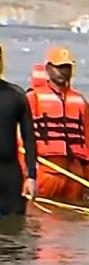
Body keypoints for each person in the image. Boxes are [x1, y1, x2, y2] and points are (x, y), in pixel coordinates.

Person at [27, 47, 89, 205]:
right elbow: (22, 142)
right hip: (46, 173)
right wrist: (27, 177)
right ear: (48, 68)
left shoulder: (81, 102)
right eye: (59, 67)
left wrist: (87, 182)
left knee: (74, 225)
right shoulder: (33, 98)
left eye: (67, 67)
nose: (63, 71)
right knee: (41, 222)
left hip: (75, 176)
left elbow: (88, 147)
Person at [0, 44, 36, 217]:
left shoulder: (16, 95)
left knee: (15, 234)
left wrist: (32, 177)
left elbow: (29, 137)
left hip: (10, 175)